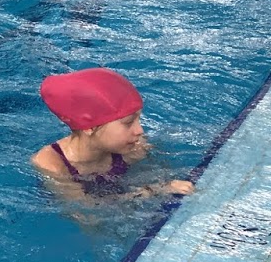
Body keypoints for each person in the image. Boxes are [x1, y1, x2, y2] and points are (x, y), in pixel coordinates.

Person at [31, 68, 195, 200]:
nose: (140, 130)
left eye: (139, 119)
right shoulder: (52, 164)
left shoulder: (135, 148)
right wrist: (154, 191)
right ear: (89, 127)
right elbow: (89, 216)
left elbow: (164, 174)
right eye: (128, 123)